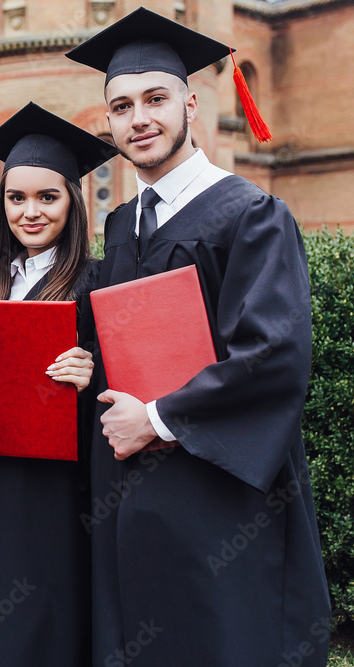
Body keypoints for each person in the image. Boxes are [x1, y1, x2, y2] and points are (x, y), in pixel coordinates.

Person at [65, 8, 331, 665]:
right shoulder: (124, 224)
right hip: (132, 498)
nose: (140, 118)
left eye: (155, 99)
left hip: (221, 499)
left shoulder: (250, 216)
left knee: (216, 638)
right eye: (122, 106)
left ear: (190, 102)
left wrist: (155, 416)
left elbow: (274, 355)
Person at [0, 102, 118, 666]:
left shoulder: (98, 287)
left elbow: (128, 398)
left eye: (48, 197)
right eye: (17, 198)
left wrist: (92, 377)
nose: (31, 212)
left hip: (63, 498)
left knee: (50, 630)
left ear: (74, 202)